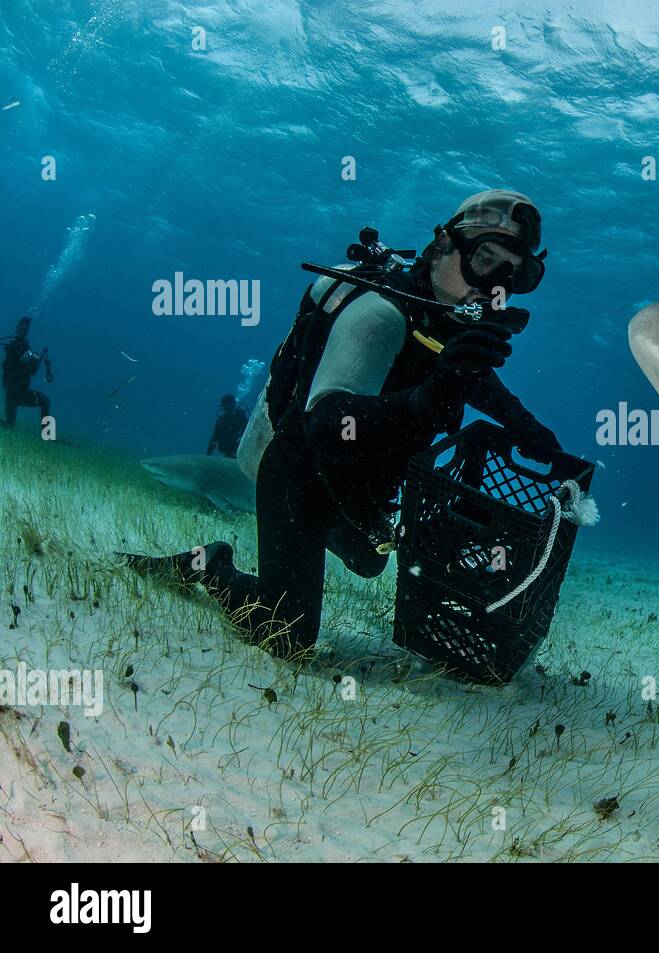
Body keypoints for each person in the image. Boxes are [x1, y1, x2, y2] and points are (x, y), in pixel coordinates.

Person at [124, 189, 561, 658]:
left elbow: (468, 377)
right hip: (298, 473)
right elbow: (326, 423)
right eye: (484, 258)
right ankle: (212, 565)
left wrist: (530, 430)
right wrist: (423, 401)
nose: (494, 284)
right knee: (286, 636)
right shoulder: (379, 316)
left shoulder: (445, 321)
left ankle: (328, 528)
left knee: (369, 562)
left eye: (516, 273)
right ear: (442, 246)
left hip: (356, 487)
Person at [2, 316, 53, 429]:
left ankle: (48, 435)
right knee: (46, 401)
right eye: (21, 328)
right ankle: (48, 436)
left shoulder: (21, 347)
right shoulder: (16, 347)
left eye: (25, 329)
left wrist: (36, 363)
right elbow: (22, 363)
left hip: (12, 395)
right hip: (18, 394)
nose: (23, 331)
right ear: (18, 329)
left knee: (9, 424)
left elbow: (31, 371)